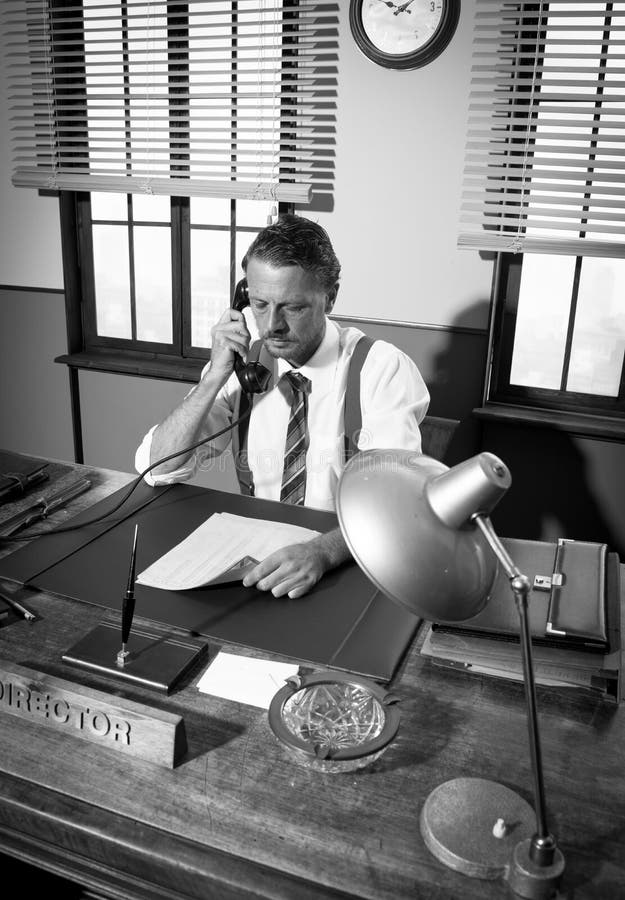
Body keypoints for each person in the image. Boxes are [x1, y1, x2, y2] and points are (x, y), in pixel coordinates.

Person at [135, 214, 429, 599]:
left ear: (331, 296)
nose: (271, 325)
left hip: (349, 557)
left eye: (293, 307)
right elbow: (157, 469)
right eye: (258, 303)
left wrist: (322, 553)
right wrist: (213, 378)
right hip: (257, 561)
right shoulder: (244, 365)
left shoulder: (380, 368)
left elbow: (398, 503)